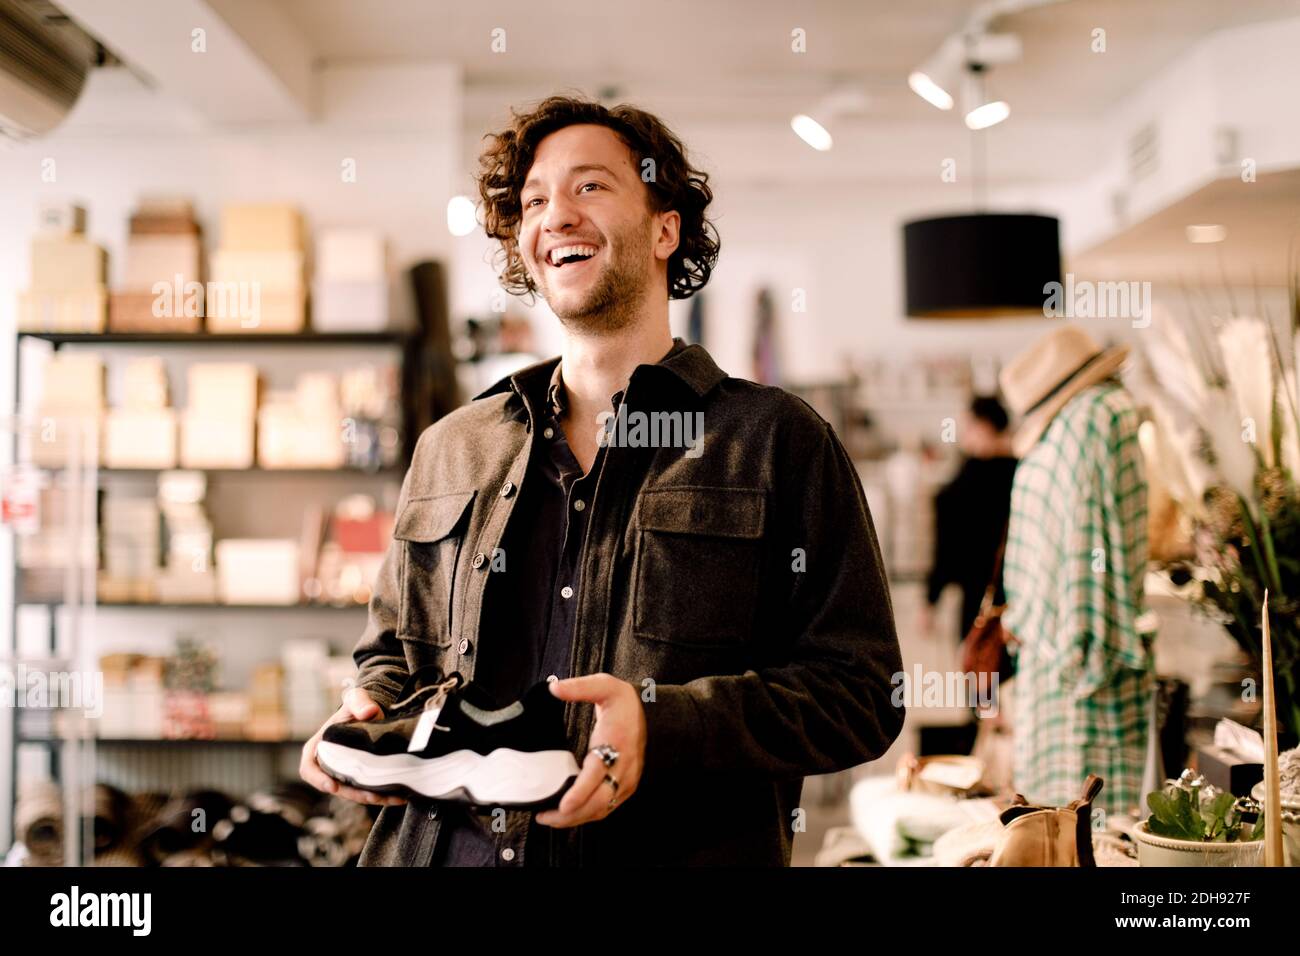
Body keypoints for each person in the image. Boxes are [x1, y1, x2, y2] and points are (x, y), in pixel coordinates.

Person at [299, 95, 904, 866]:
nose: (556, 215)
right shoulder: (452, 447)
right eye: (535, 201)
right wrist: (372, 708)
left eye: (590, 187)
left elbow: (859, 693)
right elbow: (390, 652)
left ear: (665, 229)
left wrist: (665, 723)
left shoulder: (774, 442)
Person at [998, 324, 1151, 818]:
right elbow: (1094, 546)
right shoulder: (1102, 417)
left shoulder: (1049, 445)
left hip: (1048, 656)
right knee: (1099, 822)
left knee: (1052, 819)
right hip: (1084, 658)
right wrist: (1091, 645)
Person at [920, 395, 1017, 641]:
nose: (963, 434)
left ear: (983, 426)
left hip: (978, 601)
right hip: (1020, 598)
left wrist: (931, 600)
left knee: (981, 672)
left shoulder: (966, 481)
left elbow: (945, 547)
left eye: (967, 426)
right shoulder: (1024, 471)